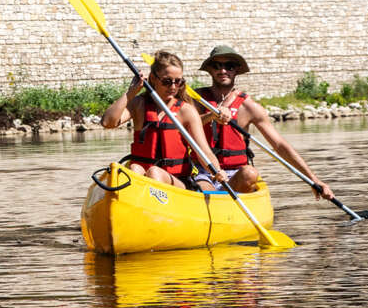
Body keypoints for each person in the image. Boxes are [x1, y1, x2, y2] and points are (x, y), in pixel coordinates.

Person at [194, 44, 334, 200]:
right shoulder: (196, 100)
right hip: (204, 171)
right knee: (203, 189)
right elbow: (181, 125)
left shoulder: (250, 107)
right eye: (217, 66)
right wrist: (211, 116)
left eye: (229, 66)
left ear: (237, 70)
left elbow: (280, 146)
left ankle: (224, 204)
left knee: (250, 173)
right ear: (210, 70)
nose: (223, 71)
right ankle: (215, 203)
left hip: (236, 175)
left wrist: (313, 180)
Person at [102, 50, 228, 190]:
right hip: (143, 177)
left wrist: (217, 171)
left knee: (155, 173)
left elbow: (204, 151)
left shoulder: (186, 111)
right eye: (167, 81)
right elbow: (108, 122)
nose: (173, 87)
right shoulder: (139, 104)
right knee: (135, 168)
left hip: (178, 182)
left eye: (178, 82)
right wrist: (130, 93)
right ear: (154, 78)